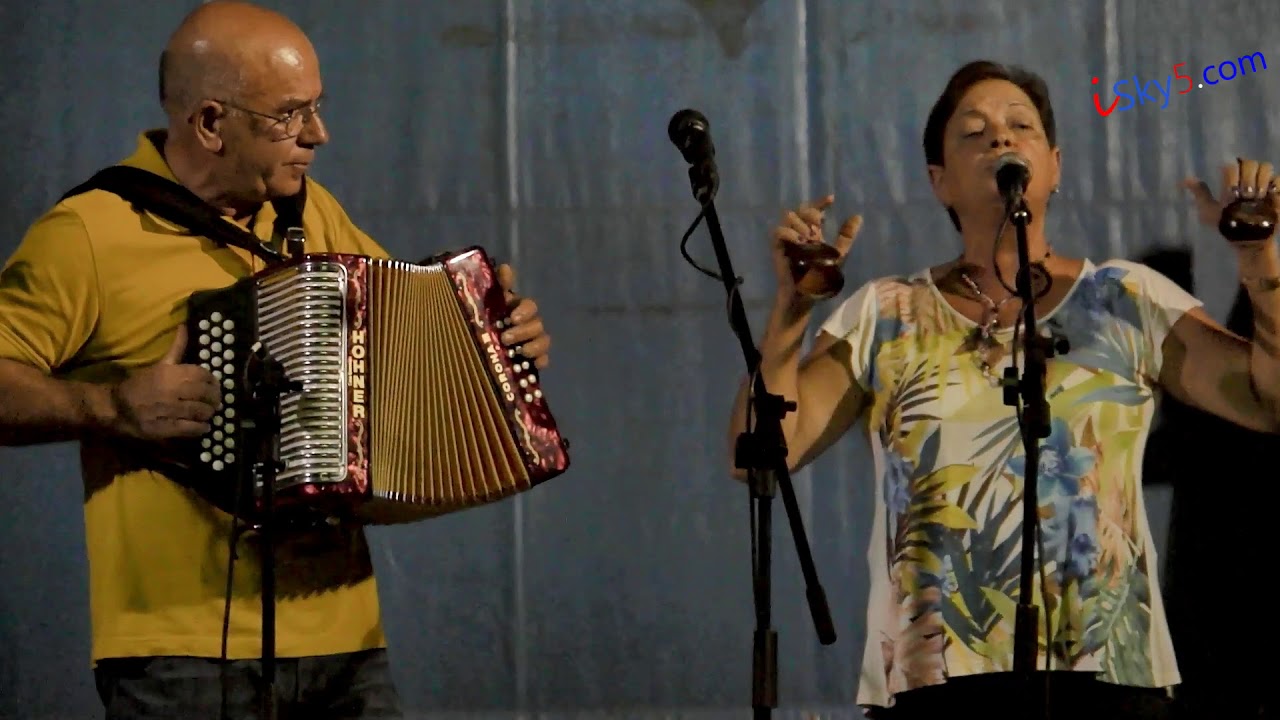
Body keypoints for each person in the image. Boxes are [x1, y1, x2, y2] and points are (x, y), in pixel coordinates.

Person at [0, 2, 553, 718]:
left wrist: (493, 343)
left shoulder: (309, 212)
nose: (317, 135)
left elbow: (405, 345)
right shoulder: (90, 232)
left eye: (316, 108)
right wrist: (108, 407)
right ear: (209, 122)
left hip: (345, 640)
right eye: (289, 115)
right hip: (179, 648)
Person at [727, 59, 1280, 720]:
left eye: (1021, 126)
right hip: (935, 681)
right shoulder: (886, 315)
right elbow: (758, 453)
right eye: (974, 131)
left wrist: (1263, 268)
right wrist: (791, 314)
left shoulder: (1124, 300)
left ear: (1053, 164)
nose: (1001, 139)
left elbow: (1266, 401)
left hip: (1108, 676)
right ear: (939, 181)